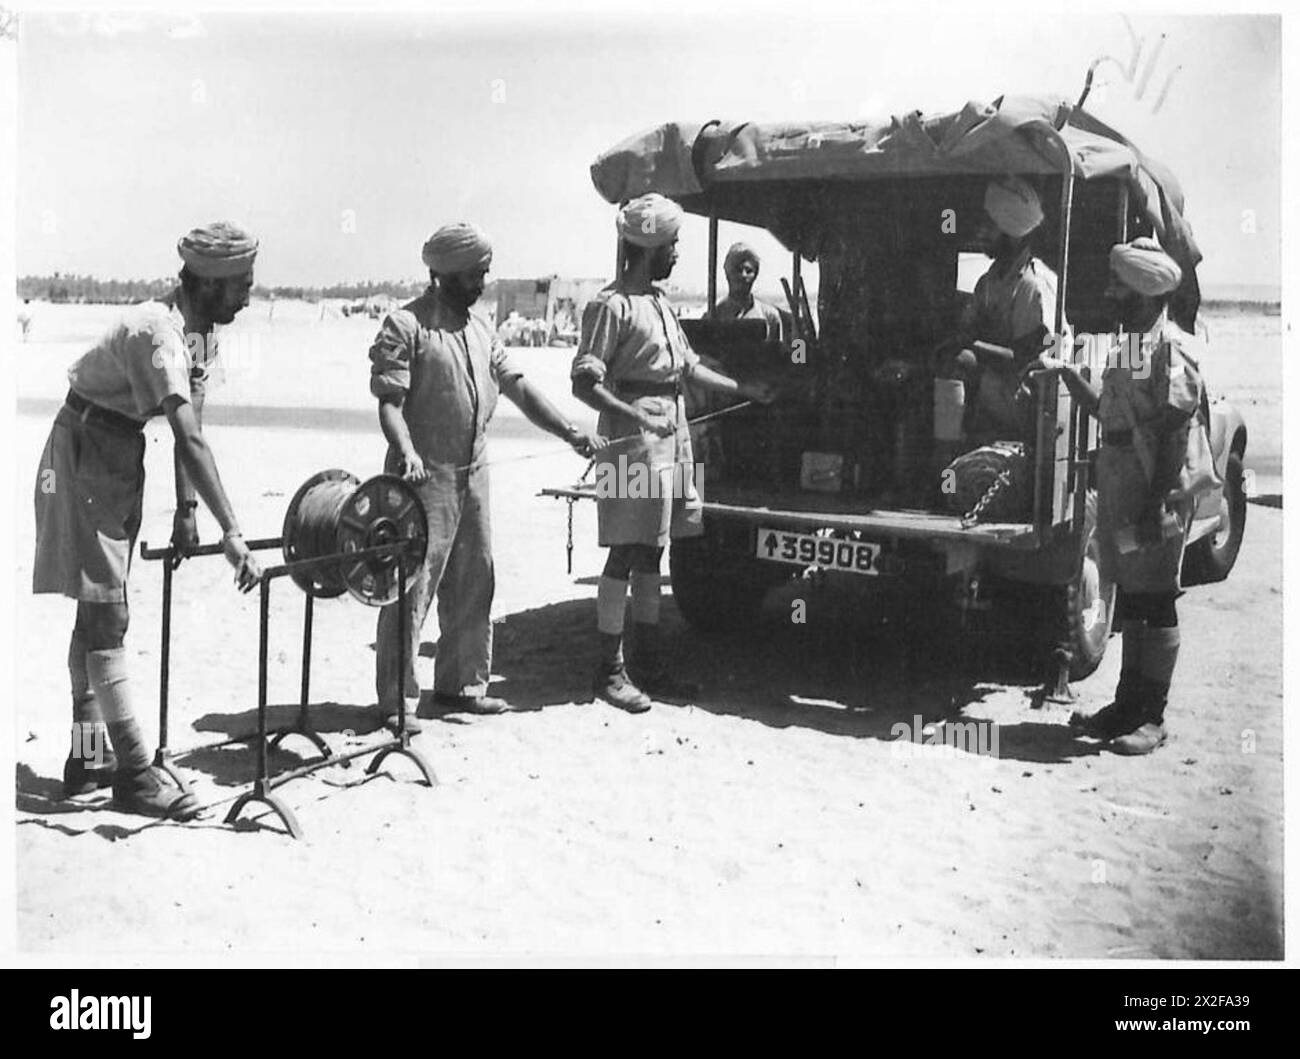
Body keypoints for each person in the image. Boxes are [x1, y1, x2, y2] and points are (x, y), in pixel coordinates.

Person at [33, 222, 263, 817]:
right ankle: (134, 774)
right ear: (209, 283)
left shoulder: (199, 332)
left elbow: (195, 419)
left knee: (95, 617)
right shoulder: (158, 334)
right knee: (108, 616)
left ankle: (87, 760)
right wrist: (231, 533)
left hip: (116, 453)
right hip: (85, 453)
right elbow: (188, 437)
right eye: (241, 285)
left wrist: (188, 509)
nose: (247, 296)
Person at [370, 222, 601, 730]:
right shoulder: (406, 326)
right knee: (413, 586)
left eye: (484, 273)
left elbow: (517, 388)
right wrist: (405, 450)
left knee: (475, 579)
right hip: (422, 477)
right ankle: (396, 701)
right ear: (445, 273)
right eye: (475, 275)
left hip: (474, 473)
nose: (482, 283)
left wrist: (568, 431)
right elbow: (390, 404)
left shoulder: (480, 330)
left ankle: (461, 686)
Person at [572, 193, 775, 713]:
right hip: (632, 441)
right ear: (649, 248)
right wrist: (637, 415)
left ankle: (649, 662)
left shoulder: (660, 304)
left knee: (654, 550)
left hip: (674, 435)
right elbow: (584, 381)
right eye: (672, 244)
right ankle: (609, 670)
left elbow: (686, 367)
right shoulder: (611, 305)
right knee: (625, 550)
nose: (678, 253)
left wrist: (742, 389)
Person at [1038, 236, 1201, 755]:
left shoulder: (1169, 347)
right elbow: (1109, 414)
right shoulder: (1130, 343)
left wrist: (1154, 504)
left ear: (1147, 293)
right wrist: (1065, 372)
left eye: (1120, 287)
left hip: (1155, 487)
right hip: (1121, 480)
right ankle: (1126, 707)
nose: (1110, 294)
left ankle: (1151, 717)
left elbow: (1176, 428)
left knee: (1156, 599)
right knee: (1132, 594)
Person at [938, 176, 1063, 441]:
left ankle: (949, 445)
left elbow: (1027, 359)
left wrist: (973, 347)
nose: (981, 232)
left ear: (1012, 231)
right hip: (993, 394)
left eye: (989, 225)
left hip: (1027, 404)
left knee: (961, 361)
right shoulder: (990, 280)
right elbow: (967, 327)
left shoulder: (1033, 285)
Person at [707, 243, 784, 342]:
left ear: (755, 275)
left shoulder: (770, 316)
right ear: (727, 273)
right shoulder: (715, 314)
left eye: (748, 271)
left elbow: (776, 353)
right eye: (738, 270)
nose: (743, 275)